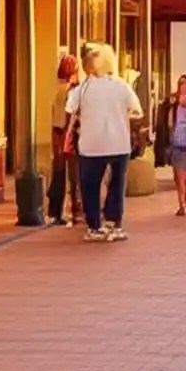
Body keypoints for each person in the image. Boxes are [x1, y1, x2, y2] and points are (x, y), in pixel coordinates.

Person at [65, 44, 143, 242]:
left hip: (91, 144)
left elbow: (70, 110)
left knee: (90, 186)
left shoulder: (82, 89)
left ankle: (94, 226)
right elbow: (137, 111)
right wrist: (122, 117)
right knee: (117, 184)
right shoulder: (121, 86)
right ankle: (113, 222)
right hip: (119, 142)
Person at [154, 74, 186, 217]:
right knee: (178, 176)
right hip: (175, 142)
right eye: (182, 83)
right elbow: (163, 119)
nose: (184, 86)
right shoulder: (172, 102)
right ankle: (181, 203)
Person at [47, 54, 82, 227]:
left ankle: (56, 211)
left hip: (58, 135)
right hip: (64, 135)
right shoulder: (68, 91)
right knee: (71, 176)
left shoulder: (58, 89)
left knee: (59, 174)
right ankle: (70, 211)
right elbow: (64, 118)